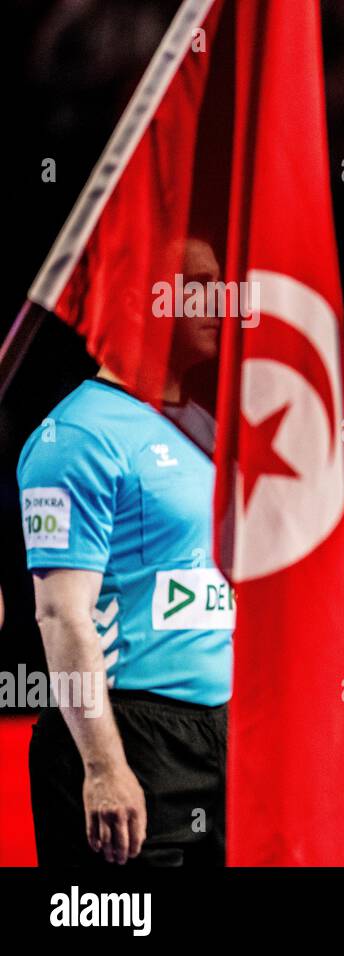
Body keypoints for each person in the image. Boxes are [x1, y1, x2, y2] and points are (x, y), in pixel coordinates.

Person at [20, 237, 231, 866]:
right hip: (128, 733)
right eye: (196, 284)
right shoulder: (75, 435)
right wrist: (104, 765)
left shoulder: (206, 428)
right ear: (143, 299)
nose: (218, 300)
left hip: (216, 739)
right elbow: (61, 614)